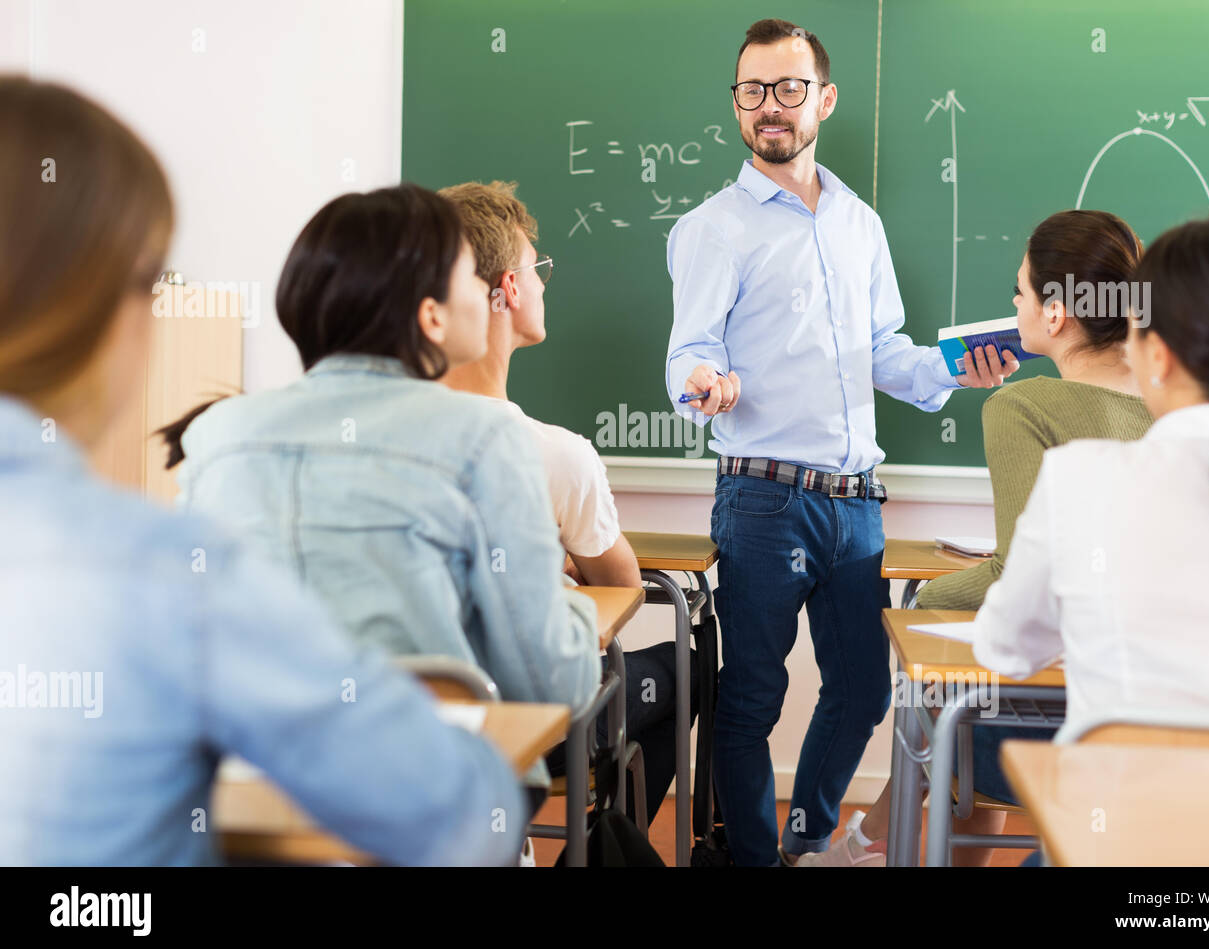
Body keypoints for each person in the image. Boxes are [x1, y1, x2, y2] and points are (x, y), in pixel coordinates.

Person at [0, 76, 524, 866]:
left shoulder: (213, 457)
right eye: (152, 282)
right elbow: (454, 816)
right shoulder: (152, 571)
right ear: (106, 308)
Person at [664, 18, 1017, 867]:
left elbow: (883, 352)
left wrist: (951, 371)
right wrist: (702, 386)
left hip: (856, 504)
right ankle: (754, 860)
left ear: (824, 99)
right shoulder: (714, 227)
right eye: (752, 91)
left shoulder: (859, 223)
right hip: (764, 499)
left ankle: (805, 841)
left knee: (861, 691)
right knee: (751, 696)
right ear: (738, 105)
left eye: (788, 90)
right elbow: (690, 352)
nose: (770, 108)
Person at [169, 185, 602, 748]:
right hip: (424, 789)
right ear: (432, 316)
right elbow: (555, 685)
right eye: (473, 276)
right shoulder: (487, 440)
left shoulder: (217, 434)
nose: (490, 291)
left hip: (243, 785)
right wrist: (558, 595)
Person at [806, 210, 1153, 865]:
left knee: (938, 672)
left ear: (1055, 315)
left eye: (1020, 292)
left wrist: (923, 602)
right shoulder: (1179, 406)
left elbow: (1016, 572)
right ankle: (867, 839)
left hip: (1056, 729)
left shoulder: (1023, 407)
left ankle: (868, 840)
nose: (1014, 304)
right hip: (1158, 722)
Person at [976, 211, 1209, 776]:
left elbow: (1006, 649)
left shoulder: (1079, 479)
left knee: (952, 726)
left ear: (1158, 354)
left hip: (1122, 833)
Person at [438, 179, 697, 826]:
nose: (546, 284)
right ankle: (614, 847)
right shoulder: (555, 455)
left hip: (396, 731)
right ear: (509, 288)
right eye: (537, 268)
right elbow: (623, 589)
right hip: (527, 727)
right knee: (689, 666)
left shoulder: (383, 437)